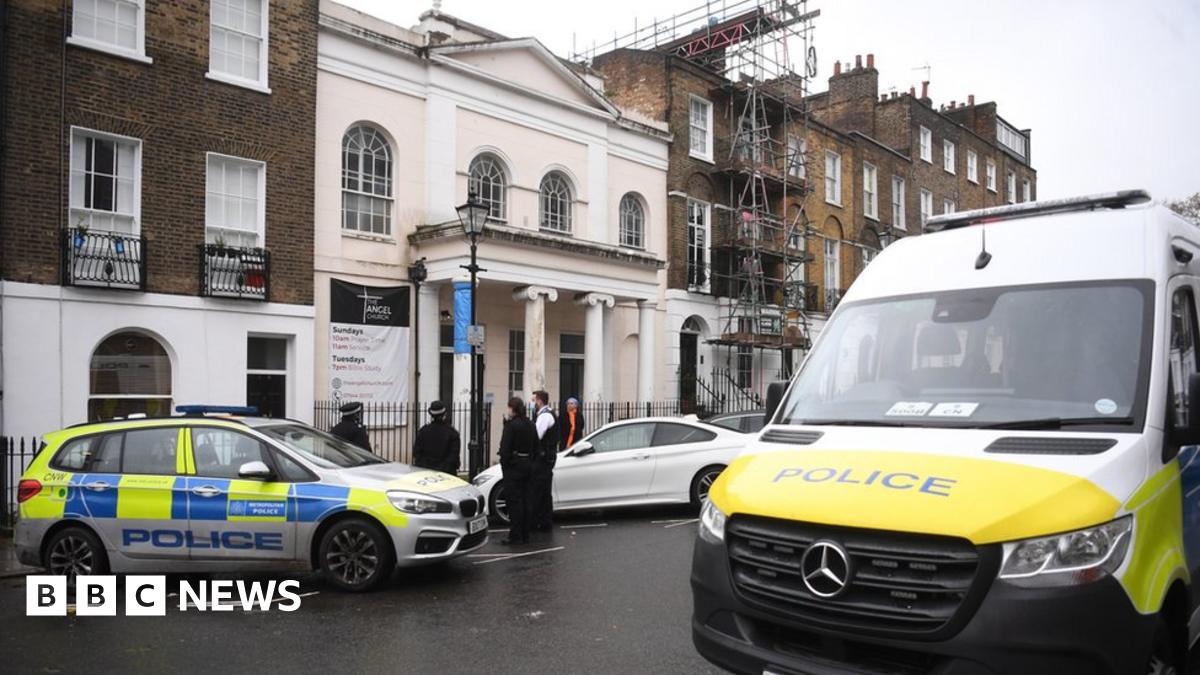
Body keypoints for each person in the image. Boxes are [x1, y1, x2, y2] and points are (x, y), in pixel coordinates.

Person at [497, 397, 539, 545]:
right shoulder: (531, 424)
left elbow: (505, 449)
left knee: (514, 502)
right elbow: (536, 446)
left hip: (514, 467)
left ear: (512, 408)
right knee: (527, 500)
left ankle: (516, 535)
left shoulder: (511, 426)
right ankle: (525, 534)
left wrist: (506, 464)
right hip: (528, 465)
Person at [530, 390, 560, 531]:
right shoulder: (549, 413)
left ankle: (537, 521)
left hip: (543, 457)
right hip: (548, 456)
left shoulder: (544, 416)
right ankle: (545, 521)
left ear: (540, 401)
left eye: (534, 400)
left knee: (538, 490)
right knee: (544, 491)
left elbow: (536, 436)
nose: (533, 403)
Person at [411, 401, 461, 475]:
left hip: (426, 473)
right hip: (447, 473)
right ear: (445, 414)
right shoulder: (452, 433)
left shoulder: (423, 431)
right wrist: (442, 468)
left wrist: (426, 467)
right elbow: (453, 456)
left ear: (431, 415)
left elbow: (417, 453)